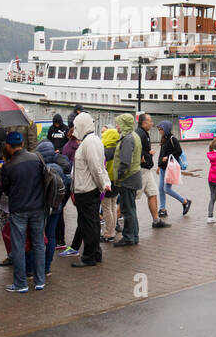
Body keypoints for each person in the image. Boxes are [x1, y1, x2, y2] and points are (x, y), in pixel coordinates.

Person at [0, 130, 47, 293]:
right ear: (22, 143)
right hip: (38, 207)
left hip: (18, 209)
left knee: (18, 246)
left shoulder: (8, 166)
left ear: (8, 146)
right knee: (38, 244)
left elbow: (5, 189)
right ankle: (40, 280)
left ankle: (21, 283)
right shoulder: (37, 158)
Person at [70, 111, 110, 267]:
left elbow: (96, 168)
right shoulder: (93, 140)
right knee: (91, 223)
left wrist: (102, 186)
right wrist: (102, 184)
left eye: (75, 126)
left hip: (87, 191)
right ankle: (95, 253)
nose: (74, 130)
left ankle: (89, 256)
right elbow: (98, 167)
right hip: (87, 190)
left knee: (89, 225)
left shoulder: (89, 142)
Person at [36, 140, 69, 275]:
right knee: (51, 236)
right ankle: (47, 267)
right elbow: (66, 184)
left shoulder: (39, 168)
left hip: (40, 208)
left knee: (38, 236)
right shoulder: (58, 168)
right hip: (55, 207)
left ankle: (35, 266)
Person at [113, 113, 143, 246]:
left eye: (118, 123)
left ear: (124, 125)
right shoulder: (134, 136)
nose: (116, 126)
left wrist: (119, 176)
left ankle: (129, 237)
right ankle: (134, 235)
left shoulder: (128, 139)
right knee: (131, 208)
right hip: (133, 177)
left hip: (128, 179)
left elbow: (125, 162)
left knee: (127, 209)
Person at [135, 113, 168, 228]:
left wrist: (147, 153)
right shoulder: (139, 134)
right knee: (132, 198)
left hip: (147, 169)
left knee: (153, 193)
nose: (152, 123)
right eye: (150, 121)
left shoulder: (144, 133)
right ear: (144, 123)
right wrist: (142, 156)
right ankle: (115, 219)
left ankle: (156, 220)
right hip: (142, 170)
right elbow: (134, 147)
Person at [156, 120, 191, 217]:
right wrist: (158, 166)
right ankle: (162, 209)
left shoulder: (173, 139)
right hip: (163, 168)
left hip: (170, 168)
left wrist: (168, 156)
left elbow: (178, 151)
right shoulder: (164, 139)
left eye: (161, 129)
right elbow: (161, 154)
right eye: (159, 129)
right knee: (161, 189)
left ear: (166, 129)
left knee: (167, 189)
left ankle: (185, 201)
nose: (160, 131)